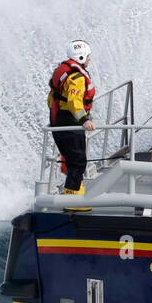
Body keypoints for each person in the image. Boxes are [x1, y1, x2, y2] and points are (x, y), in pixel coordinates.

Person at [48, 39, 96, 197]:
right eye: (88, 56)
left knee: (72, 159)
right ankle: (73, 195)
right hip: (70, 122)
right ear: (81, 57)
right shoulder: (77, 78)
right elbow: (74, 102)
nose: (89, 59)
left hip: (58, 120)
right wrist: (84, 120)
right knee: (79, 160)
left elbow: (53, 98)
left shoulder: (62, 70)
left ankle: (70, 190)